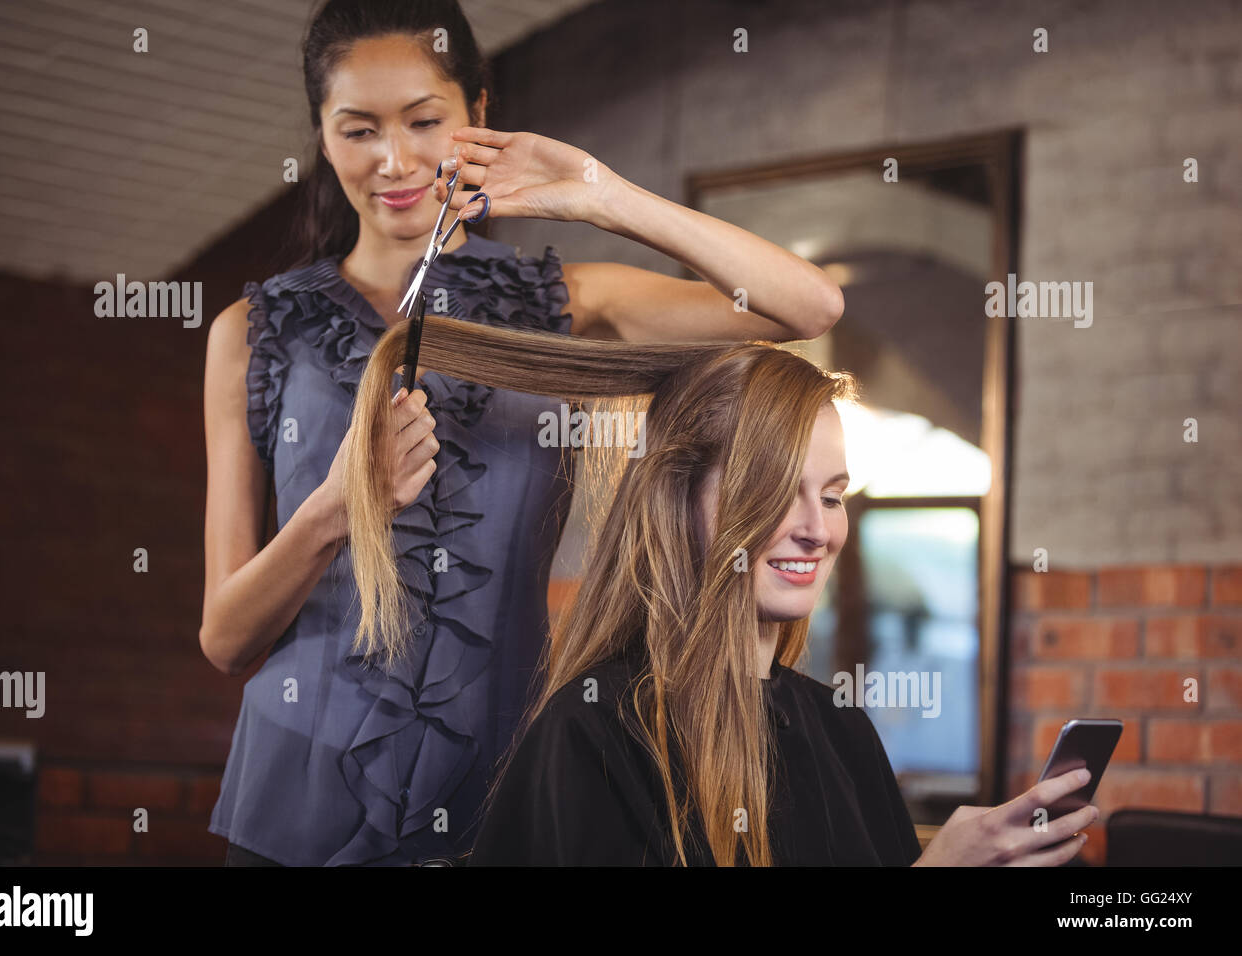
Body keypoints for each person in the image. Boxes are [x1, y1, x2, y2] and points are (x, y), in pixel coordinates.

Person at [200, 0, 844, 866]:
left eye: (425, 121)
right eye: (358, 130)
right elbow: (224, 637)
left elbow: (807, 307)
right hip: (293, 800)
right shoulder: (254, 330)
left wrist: (600, 194)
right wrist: (336, 507)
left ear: (478, 115)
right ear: (321, 137)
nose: (394, 160)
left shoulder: (563, 304)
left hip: (507, 788)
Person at [335, 313, 1099, 866]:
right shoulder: (593, 736)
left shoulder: (840, 729)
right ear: (679, 498)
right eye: (772, 488)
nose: (815, 529)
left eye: (831, 495)